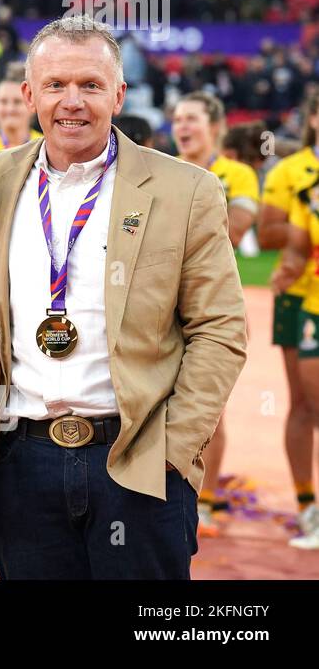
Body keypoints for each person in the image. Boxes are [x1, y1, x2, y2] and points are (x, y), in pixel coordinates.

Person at [0, 15, 247, 579]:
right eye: (55, 86)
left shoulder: (186, 190)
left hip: (138, 461)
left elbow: (220, 331)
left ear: (119, 94)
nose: (72, 102)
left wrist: (173, 452)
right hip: (24, 463)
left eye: (90, 85)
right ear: (30, 94)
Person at [171, 90, 260, 537]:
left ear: (215, 127)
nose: (182, 126)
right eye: (177, 119)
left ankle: (203, 502)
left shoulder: (238, 173)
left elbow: (236, 230)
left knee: (210, 409)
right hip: (168, 308)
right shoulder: (163, 168)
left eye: (191, 119)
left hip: (215, 306)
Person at [266, 94, 319, 549]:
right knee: (305, 404)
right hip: (298, 298)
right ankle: (307, 507)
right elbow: (268, 232)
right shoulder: (290, 170)